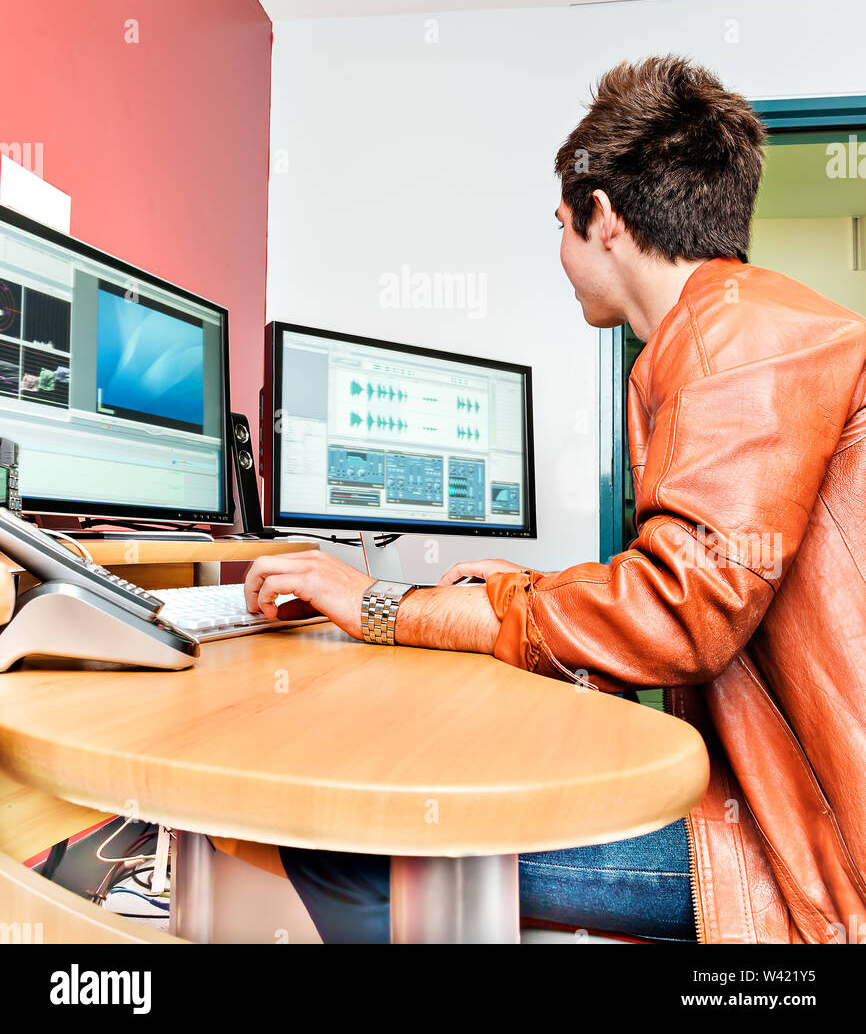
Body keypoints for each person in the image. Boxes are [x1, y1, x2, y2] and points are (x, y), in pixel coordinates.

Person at [223, 55, 866, 944]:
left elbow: (684, 617)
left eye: (560, 223)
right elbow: (715, 575)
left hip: (790, 858)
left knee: (350, 833)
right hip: (781, 817)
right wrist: (536, 589)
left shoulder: (739, 344)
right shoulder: (741, 329)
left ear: (601, 217)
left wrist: (382, 604)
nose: (559, 252)